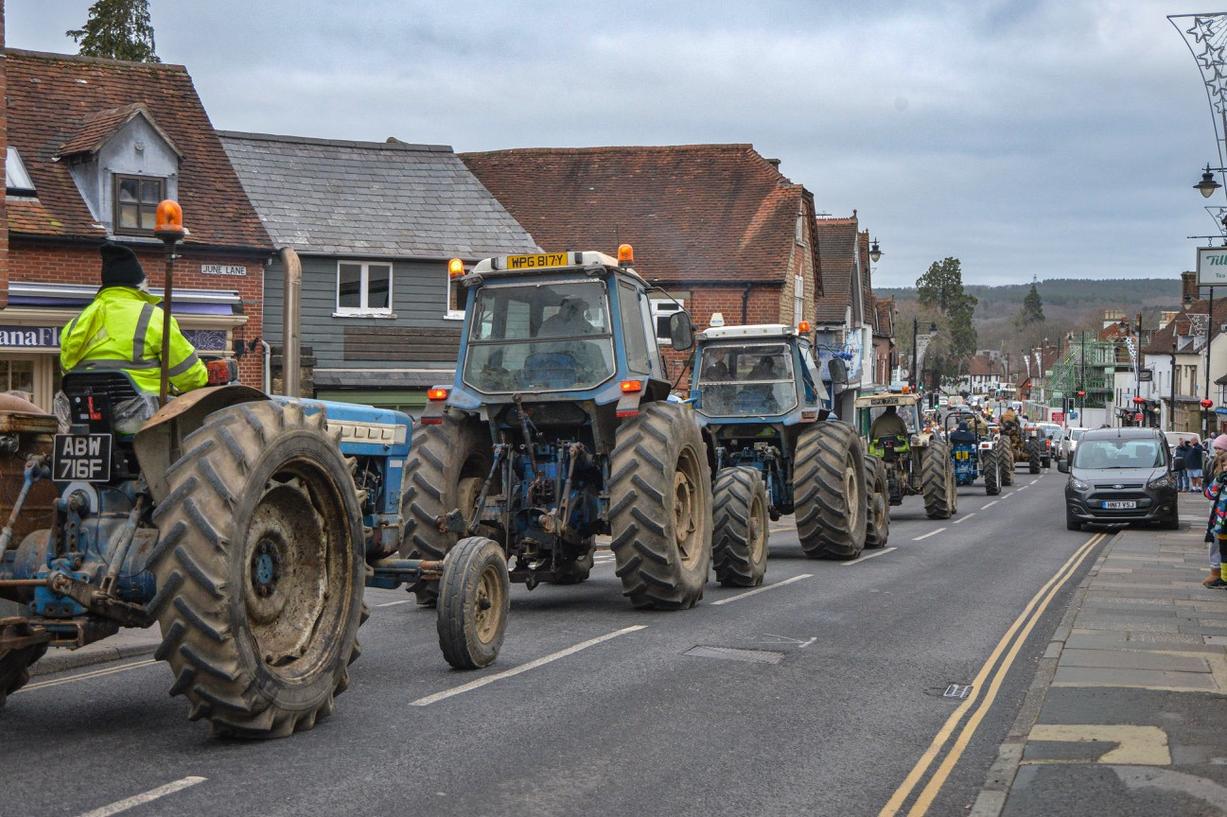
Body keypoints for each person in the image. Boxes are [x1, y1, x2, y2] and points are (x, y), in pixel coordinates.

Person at [60, 242, 207, 396]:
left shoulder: (75, 324)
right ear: (140, 285)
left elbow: (68, 374)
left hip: (91, 414)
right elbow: (191, 378)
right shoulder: (153, 318)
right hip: (150, 416)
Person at [1203, 436, 1227, 588]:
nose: (1217, 452)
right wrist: (1219, 479)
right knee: (1222, 549)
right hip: (1221, 519)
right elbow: (1209, 493)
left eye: (1221, 449)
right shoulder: (1214, 467)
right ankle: (1222, 577)